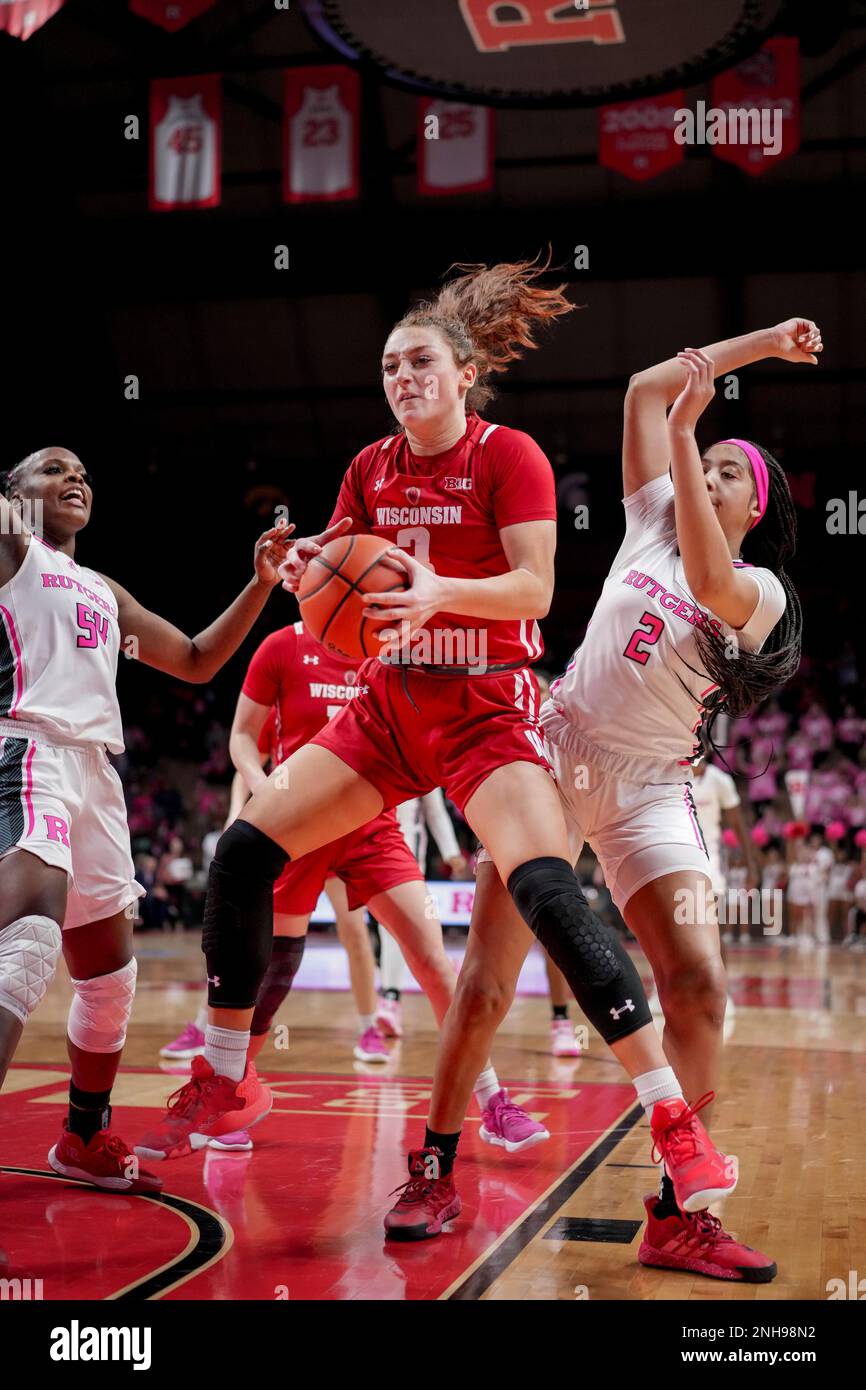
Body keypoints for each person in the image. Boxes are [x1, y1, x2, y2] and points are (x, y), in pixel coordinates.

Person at [142, 258, 743, 1227]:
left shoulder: (509, 456)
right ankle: (227, 1077)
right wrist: (300, 566)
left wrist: (437, 594)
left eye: (419, 362)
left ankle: (670, 1113)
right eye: (389, 368)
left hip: (486, 708)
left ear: (463, 373)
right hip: (387, 707)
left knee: (546, 888)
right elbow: (330, 572)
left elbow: (535, 588)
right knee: (242, 852)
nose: (402, 379)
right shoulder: (369, 467)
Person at [396, 315, 818, 1278]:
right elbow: (638, 386)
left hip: (651, 792)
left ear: (758, 503)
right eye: (700, 462)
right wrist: (744, 354)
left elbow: (708, 575)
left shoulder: (762, 591)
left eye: (727, 471)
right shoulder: (648, 522)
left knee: (701, 986)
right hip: (550, 757)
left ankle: (678, 1215)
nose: (705, 473)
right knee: (488, 985)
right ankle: (435, 1165)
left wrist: (686, 428)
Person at [140, 618, 544, 1159]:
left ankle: (494, 1101)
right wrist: (266, 794)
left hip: (372, 823)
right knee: (270, 971)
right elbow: (243, 735)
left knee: (431, 959)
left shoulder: (391, 646)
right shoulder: (281, 647)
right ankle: (232, 1091)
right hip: (301, 823)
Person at [0, 445, 292, 1190]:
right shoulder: (11, 549)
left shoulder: (102, 588)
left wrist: (258, 586)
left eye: (85, 472)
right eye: (53, 467)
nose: (76, 478)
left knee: (109, 982)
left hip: (97, 777)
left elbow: (195, 659)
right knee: (28, 949)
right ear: (13, 490)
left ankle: (84, 1137)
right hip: (26, 752)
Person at [376, 787, 470, 1039]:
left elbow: (436, 812)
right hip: (371, 857)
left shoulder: (418, 761)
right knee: (387, 929)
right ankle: (391, 997)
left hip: (407, 862)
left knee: (403, 930)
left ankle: (391, 998)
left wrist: (451, 852)